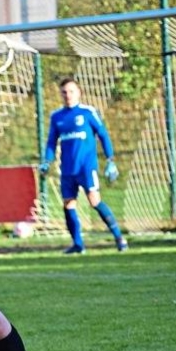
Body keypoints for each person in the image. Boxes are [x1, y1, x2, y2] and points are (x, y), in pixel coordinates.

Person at [40, 78, 127, 254]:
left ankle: (119, 238)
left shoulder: (88, 112)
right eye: (64, 92)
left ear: (79, 92)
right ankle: (78, 244)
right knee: (68, 204)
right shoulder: (57, 117)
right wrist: (47, 161)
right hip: (67, 170)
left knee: (94, 200)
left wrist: (110, 160)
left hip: (87, 168)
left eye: (71, 91)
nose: (68, 95)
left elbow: (103, 134)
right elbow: (51, 142)